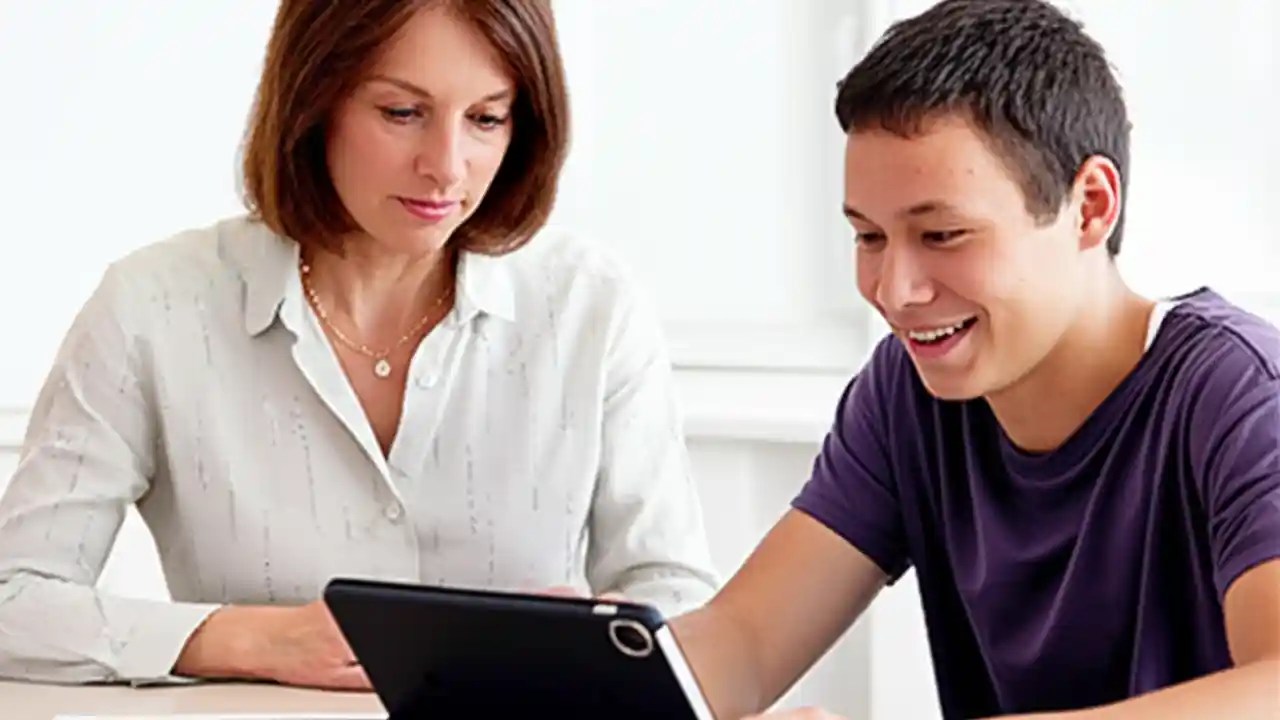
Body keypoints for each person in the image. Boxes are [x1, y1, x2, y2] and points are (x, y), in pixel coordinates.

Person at [0, 0, 717, 690]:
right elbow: (13, 601)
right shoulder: (152, 308)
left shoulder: (592, 308)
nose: (447, 165)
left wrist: (596, 640)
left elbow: (679, 598)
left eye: (486, 119)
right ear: (314, 100)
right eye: (402, 113)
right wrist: (250, 640)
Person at [671, 1, 1280, 718]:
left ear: (1089, 206)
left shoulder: (1239, 395)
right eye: (869, 238)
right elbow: (743, 643)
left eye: (944, 234)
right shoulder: (908, 393)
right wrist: (570, 667)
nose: (895, 291)